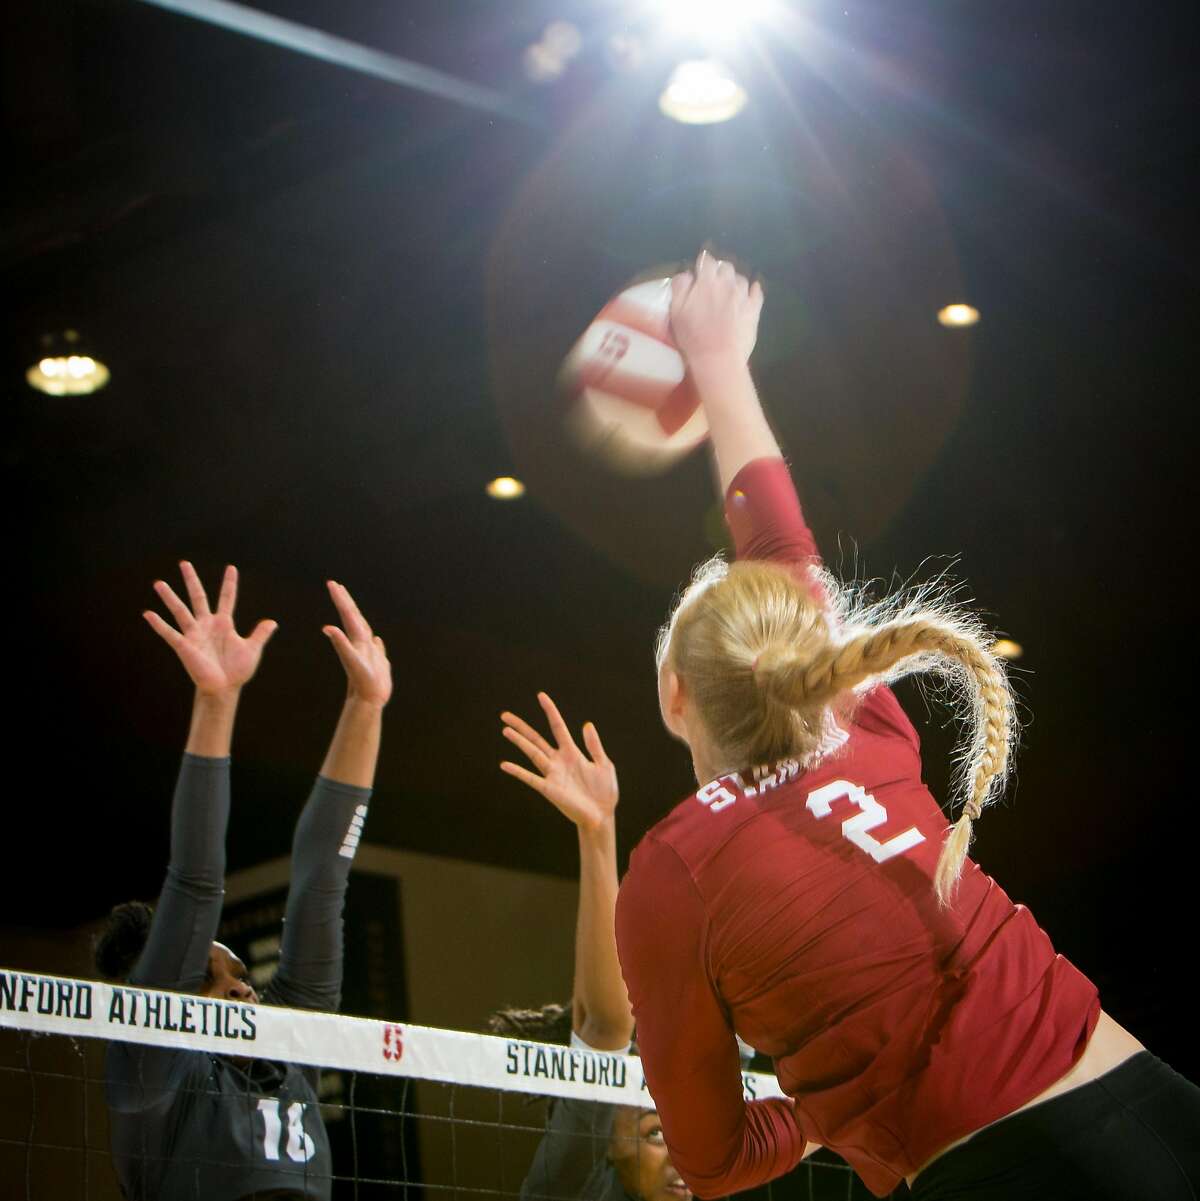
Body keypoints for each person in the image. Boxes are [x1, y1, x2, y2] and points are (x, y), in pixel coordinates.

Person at [502, 254, 1200, 1201]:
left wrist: (823, 1107)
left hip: (1002, 1173)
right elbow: (779, 538)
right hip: (1149, 1094)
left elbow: (709, 1162)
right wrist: (719, 357)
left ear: (673, 693)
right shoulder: (859, 719)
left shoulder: (674, 870)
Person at [93, 562, 392, 1201]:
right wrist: (215, 700)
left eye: (238, 976)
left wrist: (365, 706)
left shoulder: (291, 1044)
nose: (238, 990)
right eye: (205, 977)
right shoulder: (151, 1074)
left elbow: (321, 882)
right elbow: (196, 885)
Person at [494, 695, 697, 1201]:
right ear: (605, 1141)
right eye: (655, 1134)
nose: (684, 1155)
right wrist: (597, 831)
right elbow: (607, 1025)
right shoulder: (569, 1180)